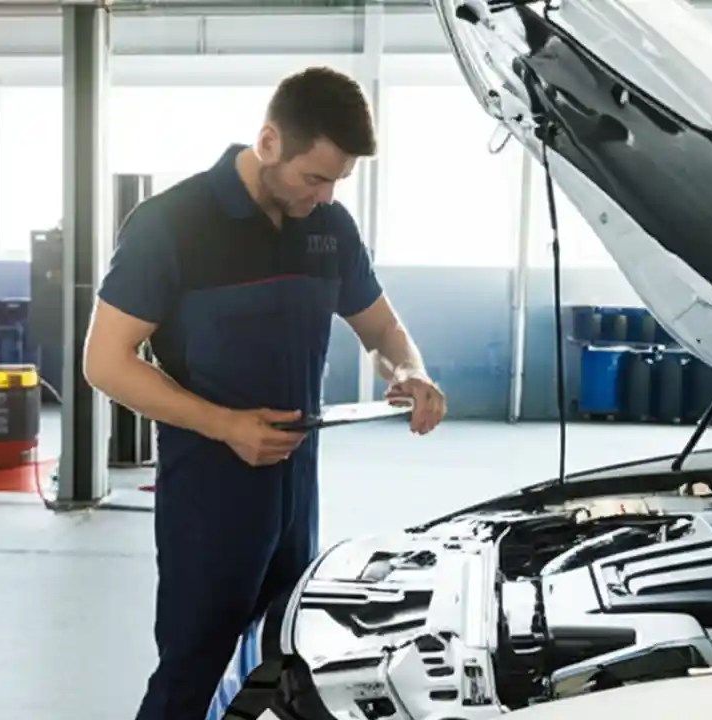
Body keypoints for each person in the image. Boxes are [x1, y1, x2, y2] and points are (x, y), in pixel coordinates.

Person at [82, 66, 447, 720]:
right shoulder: (172, 224)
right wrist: (224, 425)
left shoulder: (328, 226)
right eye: (315, 177)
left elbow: (382, 327)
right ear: (269, 141)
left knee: (284, 662)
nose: (327, 195)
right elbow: (105, 362)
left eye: (338, 180)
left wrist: (409, 369)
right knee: (194, 668)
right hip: (210, 496)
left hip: (295, 493)